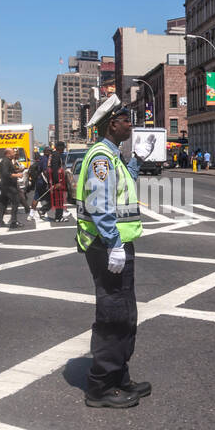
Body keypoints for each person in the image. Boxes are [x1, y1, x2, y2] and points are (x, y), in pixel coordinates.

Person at [76, 94, 149, 409]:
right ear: (111, 124)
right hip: (107, 246)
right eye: (125, 120)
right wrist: (114, 245)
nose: (130, 125)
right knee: (112, 314)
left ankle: (119, 375)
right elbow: (100, 205)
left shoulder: (113, 156)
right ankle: (100, 386)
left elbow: (121, 187)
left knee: (126, 313)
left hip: (115, 243)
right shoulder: (101, 159)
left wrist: (137, 161)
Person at [0, 147, 26, 229]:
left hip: (5, 186)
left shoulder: (8, 161)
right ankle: (14, 222)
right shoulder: (5, 161)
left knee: (3, 203)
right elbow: (5, 173)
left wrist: (18, 171)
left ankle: (0, 222)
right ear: (8, 154)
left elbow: (9, 172)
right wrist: (17, 175)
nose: (14, 154)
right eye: (13, 152)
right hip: (8, 186)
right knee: (16, 202)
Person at [49, 141, 69, 222]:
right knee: (59, 198)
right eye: (63, 147)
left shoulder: (55, 155)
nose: (64, 149)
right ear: (59, 148)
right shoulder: (56, 155)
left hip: (59, 180)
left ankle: (59, 216)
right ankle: (58, 217)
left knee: (59, 198)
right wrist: (57, 182)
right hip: (58, 181)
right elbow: (54, 169)